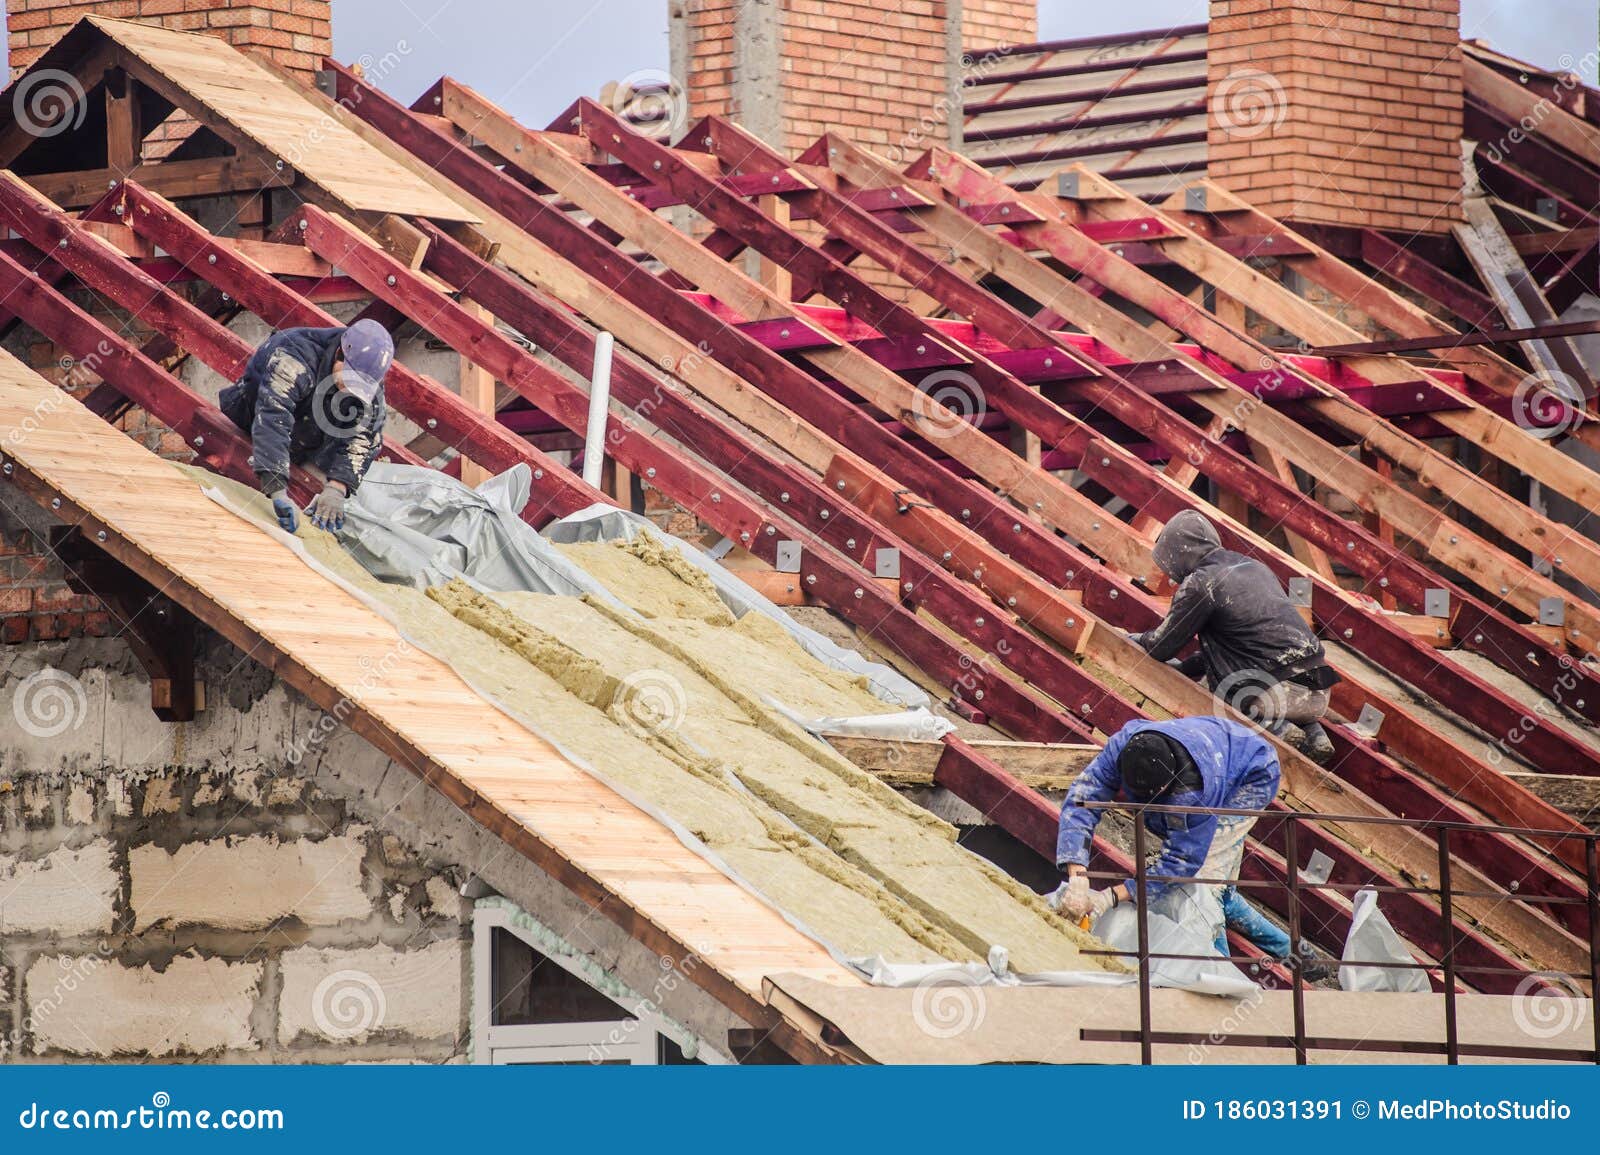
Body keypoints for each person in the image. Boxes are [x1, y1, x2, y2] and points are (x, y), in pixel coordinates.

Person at [1050, 716, 1281, 958]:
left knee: (1202, 888)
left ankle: (1218, 965)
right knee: (1215, 886)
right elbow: (1082, 800)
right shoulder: (1124, 746)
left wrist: (1110, 897)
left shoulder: (1193, 793)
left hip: (1252, 773)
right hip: (1218, 747)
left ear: (1164, 789)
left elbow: (1181, 863)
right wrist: (1078, 877)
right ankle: (1288, 949)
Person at [1127, 510, 1339, 764]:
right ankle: (1315, 735)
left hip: (1274, 694)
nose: (1171, 576)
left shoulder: (1201, 582)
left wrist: (1135, 639)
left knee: (1208, 700)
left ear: (1179, 554)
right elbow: (1229, 651)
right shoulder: (1252, 566)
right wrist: (1185, 667)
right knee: (1229, 676)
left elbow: (1161, 646)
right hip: (1319, 692)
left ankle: (1277, 730)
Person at [219, 319, 394, 534]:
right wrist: (277, 490)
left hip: (311, 439)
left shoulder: (367, 378)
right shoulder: (295, 357)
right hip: (252, 416)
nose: (352, 388)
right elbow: (273, 417)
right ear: (339, 353)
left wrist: (338, 487)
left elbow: (365, 436)